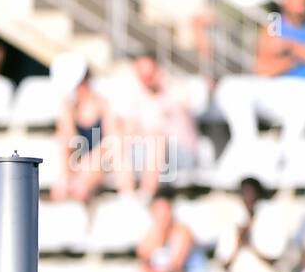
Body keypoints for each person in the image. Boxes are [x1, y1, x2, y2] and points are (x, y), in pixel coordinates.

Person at [216, 0, 305, 153]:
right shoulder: (275, 23)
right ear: (286, 2)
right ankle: (245, 145)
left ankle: (287, 158)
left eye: (303, 3)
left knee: (300, 107)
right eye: (296, 2)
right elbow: (263, 67)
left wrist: (291, 49)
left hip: (304, 88)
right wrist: (296, 57)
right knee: (231, 87)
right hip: (275, 86)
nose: (300, 8)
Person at [115, 56, 198, 198]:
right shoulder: (138, 96)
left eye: (149, 73)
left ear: (158, 71)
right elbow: (130, 129)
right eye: (142, 74)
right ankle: (126, 196)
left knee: (156, 139)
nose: (146, 78)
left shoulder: (175, 90)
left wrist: (163, 88)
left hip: (181, 152)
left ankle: (147, 194)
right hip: (150, 152)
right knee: (117, 140)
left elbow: (180, 115)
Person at [51, 66, 113, 203]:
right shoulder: (70, 110)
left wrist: (87, 162)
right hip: (79, 164)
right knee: (60, 189)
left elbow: (110, 143)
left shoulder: (103, 105)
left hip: (101, 163)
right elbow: (69, 144)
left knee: (81, 186)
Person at [136, 186, 210, 272]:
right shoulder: (151, 235)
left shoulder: (182, 232)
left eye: (166, 210)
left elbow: (175, 267)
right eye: (160, 211)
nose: (163, 216)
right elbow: (143, 258)